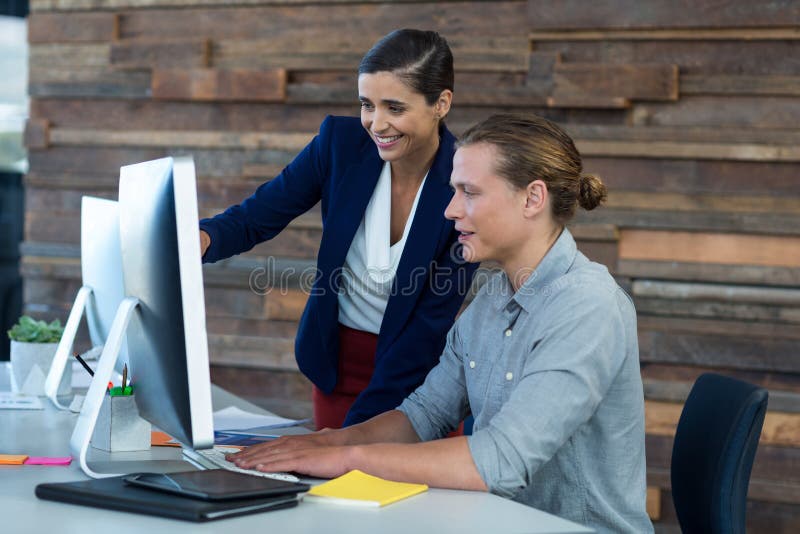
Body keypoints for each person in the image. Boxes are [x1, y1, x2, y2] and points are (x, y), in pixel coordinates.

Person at [227, 113, 654, 533]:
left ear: (532, 198)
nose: (449, 210)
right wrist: (328, 442)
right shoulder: (491, 300)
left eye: (469, 192)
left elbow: (500, 461)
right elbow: (423, 414)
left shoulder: (587, 307)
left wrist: (346, 460)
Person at [199, 29, 478, 429]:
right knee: (331, 489)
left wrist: (349, 438)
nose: (376, 124)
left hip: (418, 382)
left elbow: (430, 324)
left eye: (394, 108)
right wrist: (202, 239)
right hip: (336, 367)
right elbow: (258, 214)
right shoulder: (339, 144)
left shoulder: (465, 180)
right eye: (368, 104)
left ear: (441, 103)